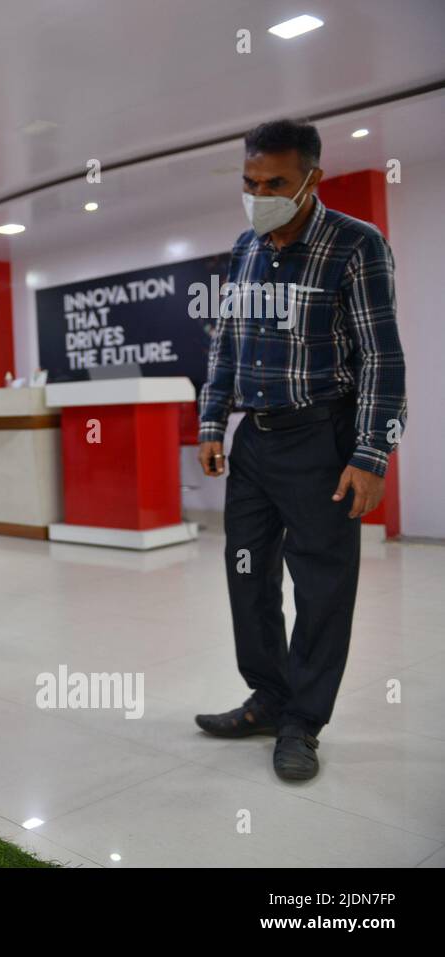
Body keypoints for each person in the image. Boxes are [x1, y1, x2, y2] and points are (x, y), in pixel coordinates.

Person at [195, 118, 407, 781]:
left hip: (324, 439)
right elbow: (225, 342)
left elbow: (382, 359)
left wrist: (372, 454)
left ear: (312, 178)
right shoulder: (245, 247)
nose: (260, 195)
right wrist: (211, 422)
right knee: (248, 574)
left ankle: (303, 721)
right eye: (250, 182)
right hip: (254, 441)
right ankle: (268, 695)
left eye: (276, 183)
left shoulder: (355, 245)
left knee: (321, 589)